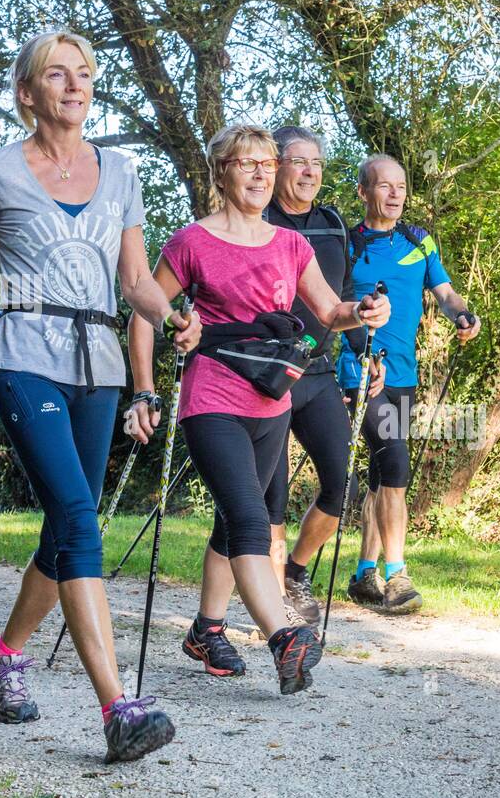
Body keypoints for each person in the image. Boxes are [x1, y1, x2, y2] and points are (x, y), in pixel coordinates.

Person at [0, 31, 200, 763]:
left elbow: (136, 279)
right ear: (28, 93)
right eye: (58, 74)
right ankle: (118, 707)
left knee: (63, 526)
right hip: (21, 355)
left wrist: (170, 316)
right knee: (80, 518)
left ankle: (5, 655)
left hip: (99, 360)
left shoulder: (121, 172)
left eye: (84, 73)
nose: (76, 85)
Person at [127, 124, 389, 694]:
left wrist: (364, 312)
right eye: (246, 164)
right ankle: (282, 638)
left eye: (267, 164)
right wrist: (144, 389)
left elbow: (328, 310)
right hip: (212, 395)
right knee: (250, 517)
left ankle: (206, 628)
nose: (260, 174)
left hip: (271, 400)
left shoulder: (291, 245)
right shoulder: (191, 241)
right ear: (221, 171)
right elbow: (146, 310)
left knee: (231, 519)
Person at [338, 154, 480, 614]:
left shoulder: (419, 241)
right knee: (395, 461)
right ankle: (397, 575)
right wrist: (358, 353)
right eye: (384, 186)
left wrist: (461, 314)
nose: (395, 194)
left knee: (382, 475)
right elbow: (331, 306)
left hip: (403, 374)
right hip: (359, 373)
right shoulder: (346, 244)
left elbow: (444, 292)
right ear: (364, 192)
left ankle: (364, 574)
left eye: (400, 186)